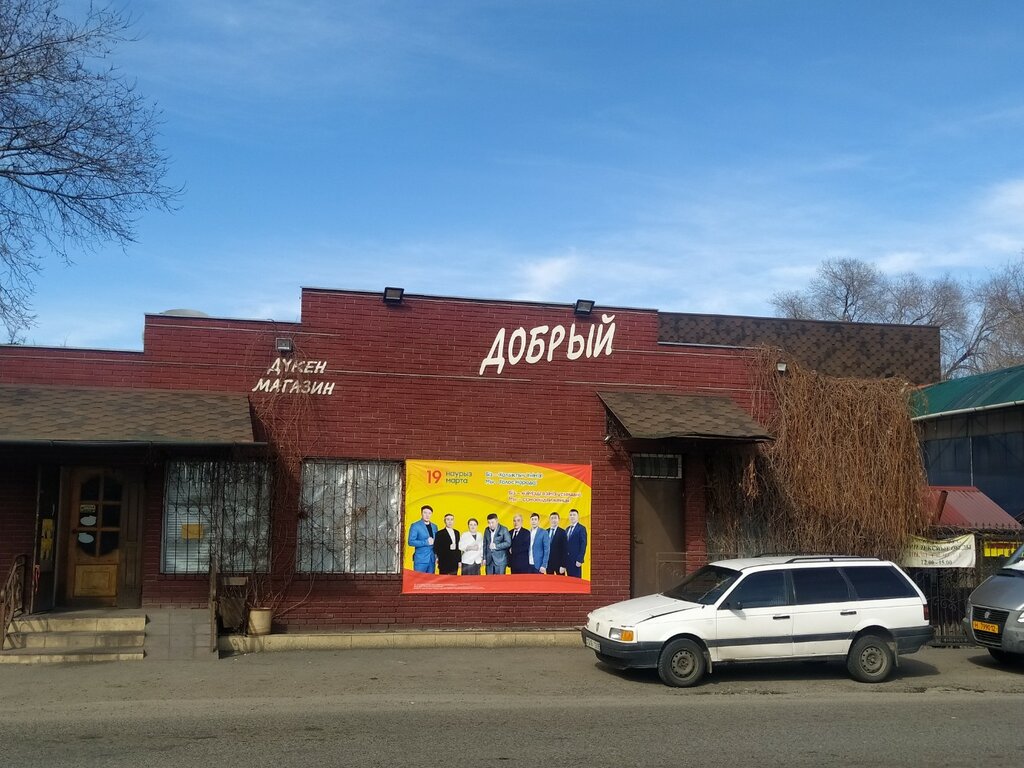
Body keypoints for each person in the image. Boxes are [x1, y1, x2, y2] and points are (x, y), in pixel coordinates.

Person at [407, 505, 436, 573]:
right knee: (419, 581)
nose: (427, 515)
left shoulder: (435, 526)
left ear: (431, 514)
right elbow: (410, 541)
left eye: (429, 513)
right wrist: (426, 542)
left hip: (432, 560)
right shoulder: (415, 525)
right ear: (421, 513)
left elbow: (436, 542)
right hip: (420, 559)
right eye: (425, 513)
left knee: (430, 582)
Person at [564, 508, 588, 578]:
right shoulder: (567, 529)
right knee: (569, 581)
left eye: (574, 515)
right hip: (568, 561)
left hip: (576, 561)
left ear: (578, 517)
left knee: (577, 582)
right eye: (570, 515)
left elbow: (583, 544)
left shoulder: (581, 528)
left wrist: (580, 559)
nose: (572, 516)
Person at [547, 512, 568, 576]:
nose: (554, 520)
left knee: (561, 584)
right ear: (549, 520)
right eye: (552, 518)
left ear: (558, 520)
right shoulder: (545, 532)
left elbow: (565, 550)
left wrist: (563, 565)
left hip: (559, 565)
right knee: (549, 583)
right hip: (548, 564)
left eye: (555, 518)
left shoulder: (563, 532)